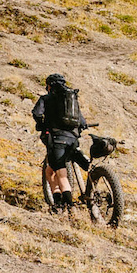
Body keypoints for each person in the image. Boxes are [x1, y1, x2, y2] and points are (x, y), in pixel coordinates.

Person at [32, 73, 91, 212]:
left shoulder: (46, 98)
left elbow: (37, 113)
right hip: (73, 139)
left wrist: (41, 124)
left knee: (60, 173)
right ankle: (58, 202)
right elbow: (81, 121)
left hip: (57, 140)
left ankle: (68, 208)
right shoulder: (71, 99)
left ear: (49, 86)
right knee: (50, 171)